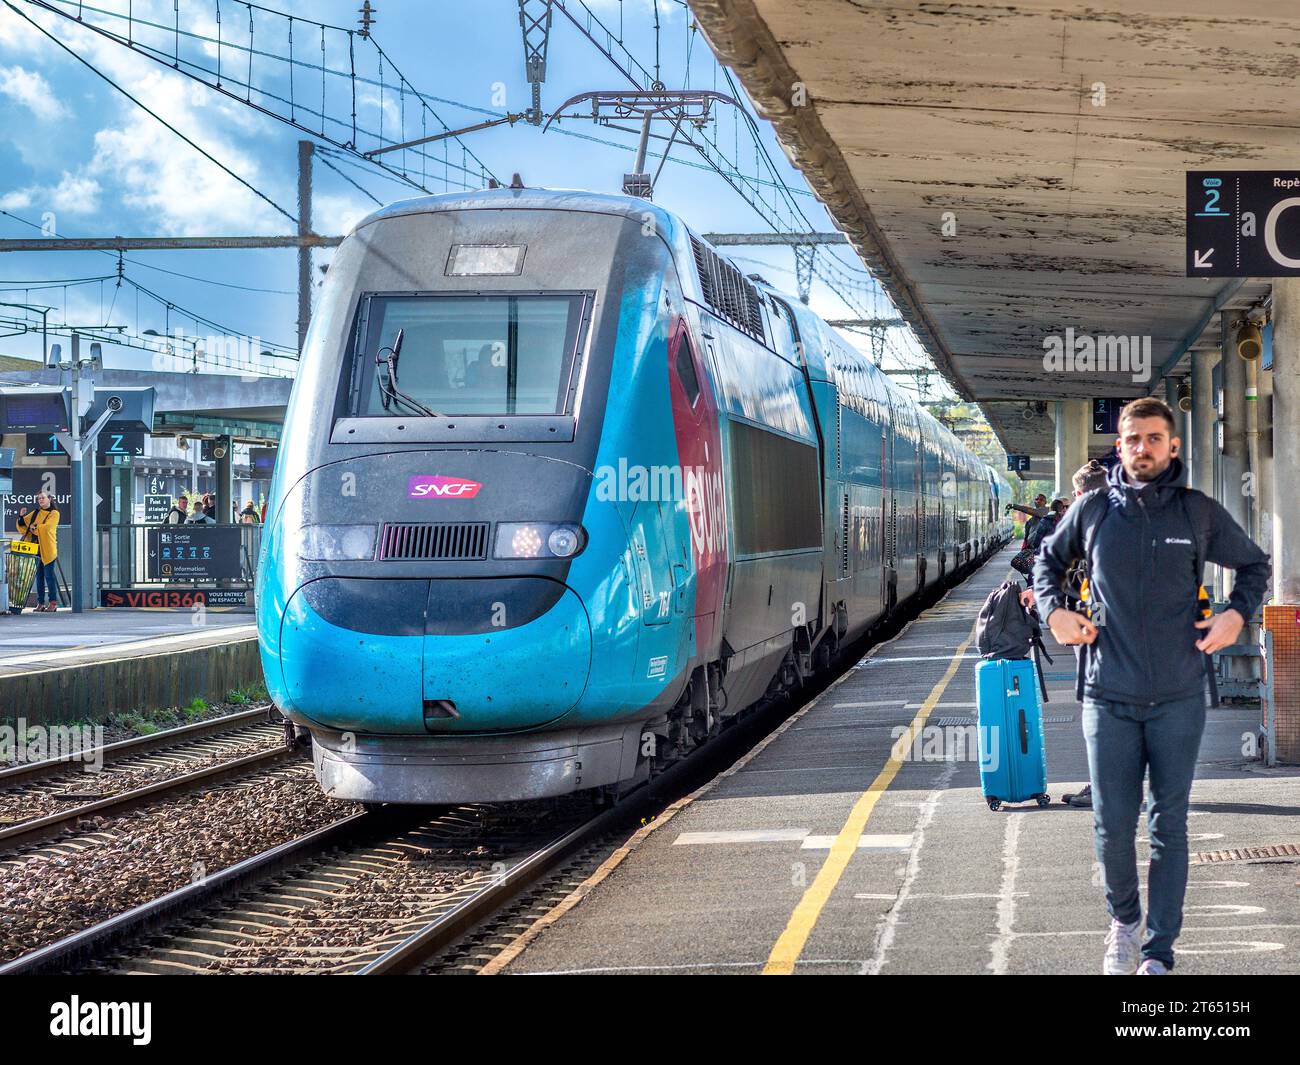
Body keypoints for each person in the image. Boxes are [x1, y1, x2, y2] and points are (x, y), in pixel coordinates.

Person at [1033, 397, 1270, 976]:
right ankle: (1123, 922)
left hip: (1179, 696)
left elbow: (1256, 566)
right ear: (1120, 446)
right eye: (1133, 439)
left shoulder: (1198, 513)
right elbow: (1045, 563)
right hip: (1107, 694)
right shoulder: (1091, 511)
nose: (1143, 448)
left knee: (1169, 824)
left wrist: (1237, 615)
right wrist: (1054, 613)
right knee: (1112, 826)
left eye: (1153, 438)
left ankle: (1159, 953)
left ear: (1172, 446)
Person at [16, 491, 60, 612]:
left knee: (49, 576)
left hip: (48, 549)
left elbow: (48, 528)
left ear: (49, 499)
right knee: (39, 577)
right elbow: (24, 524)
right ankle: (40, 603)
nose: (40, 500)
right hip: (36, 548)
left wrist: (34, 527)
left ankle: (53, 603)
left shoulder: (54, 513)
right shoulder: (36, 512)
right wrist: (21, 517)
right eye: (39, 498)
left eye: (43, 498)